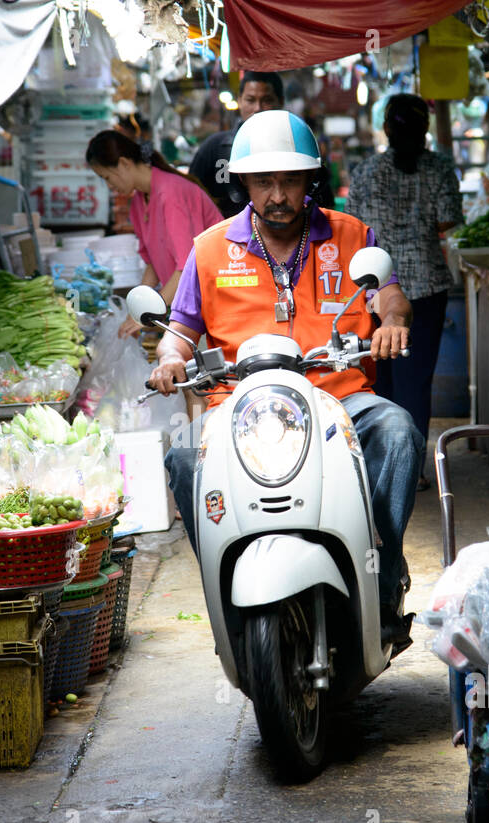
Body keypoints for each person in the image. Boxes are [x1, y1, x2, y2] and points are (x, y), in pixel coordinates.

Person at [150, 110, 423, 646]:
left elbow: (389, 297)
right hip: (239, 406)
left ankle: (382, 583)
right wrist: (169, 359)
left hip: (340, 400)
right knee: (182, 453)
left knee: (398, 432)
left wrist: (392, 322)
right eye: (264, 182)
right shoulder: (208, 250)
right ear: (244, 184)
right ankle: (226, 593)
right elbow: (179, 330)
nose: (277, 194)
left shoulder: (351, 236)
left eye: (290, 180)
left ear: (310, 181)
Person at [346, 93, 462, 491]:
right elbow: (447, 220)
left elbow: (354, 227)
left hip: (373, 289)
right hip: (426, 286)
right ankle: (411, 471)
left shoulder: (364, 172)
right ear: (425, 129)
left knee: (379, 379)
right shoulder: (440, 169)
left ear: (386, 129)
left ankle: (378, 465)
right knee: (416, 380)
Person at [85, 130, 223, 339]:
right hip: (191, 305)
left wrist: (146, 311)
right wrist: (136, 308)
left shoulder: (170, 193)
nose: (109, 186)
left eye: (106, 177)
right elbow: (154, 264)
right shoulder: (140, 202)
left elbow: (187, 267)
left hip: (215, 302)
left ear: (123, 164)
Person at [189, 71, 285, 218]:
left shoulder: (294, 150)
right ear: (239, 101)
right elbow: (190, 199)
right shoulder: (214, 148)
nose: (257, 108)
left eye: (267, 100)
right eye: (250, 100)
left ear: (281, 102)